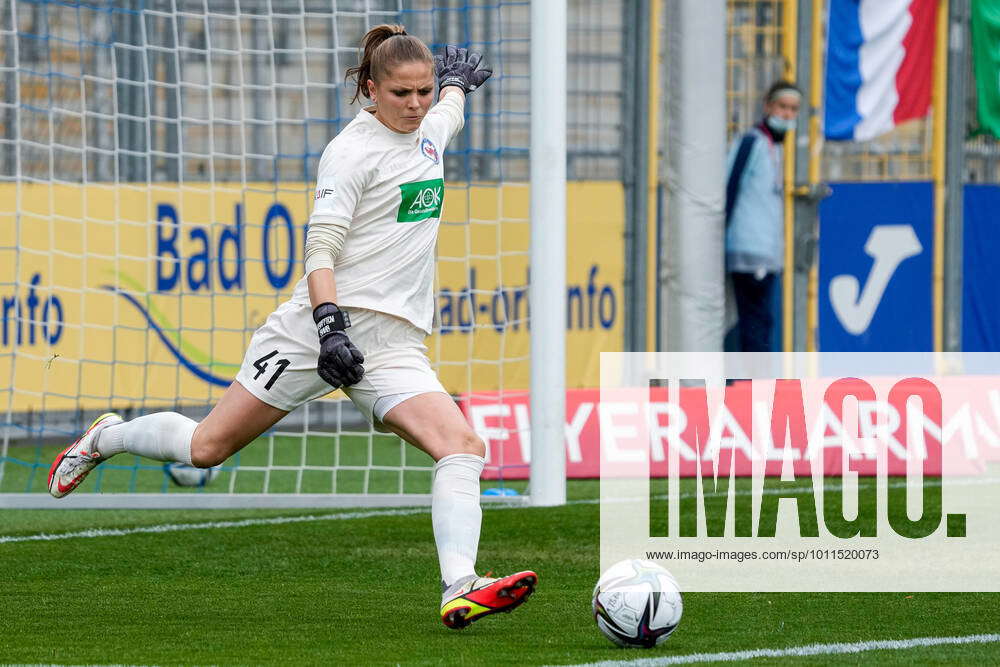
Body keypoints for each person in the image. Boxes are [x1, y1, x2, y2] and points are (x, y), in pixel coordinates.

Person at [47, 25, 536, 630]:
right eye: (402, 93)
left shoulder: (431, 128)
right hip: (315, 331)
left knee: (461, 448)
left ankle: (460, 585)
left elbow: (448, 117)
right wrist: (329, 325)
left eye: (425, 90)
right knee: (207, 448)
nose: (416, 105)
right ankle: (105, 439)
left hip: (392, 346)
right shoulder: (351, 152)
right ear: (369, 89)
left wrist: (457, 89)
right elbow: (321, 247)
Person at [724, 80, 802, 352]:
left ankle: (753, 384)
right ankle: (751, 387)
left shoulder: (776, 149)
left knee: (763, 322)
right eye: (782, 107)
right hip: (748, 250)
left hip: (766, 253)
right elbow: (730, 187)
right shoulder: (752, 143)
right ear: (768, 106)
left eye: (793, 109)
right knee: (755, 323)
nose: (787, 115)